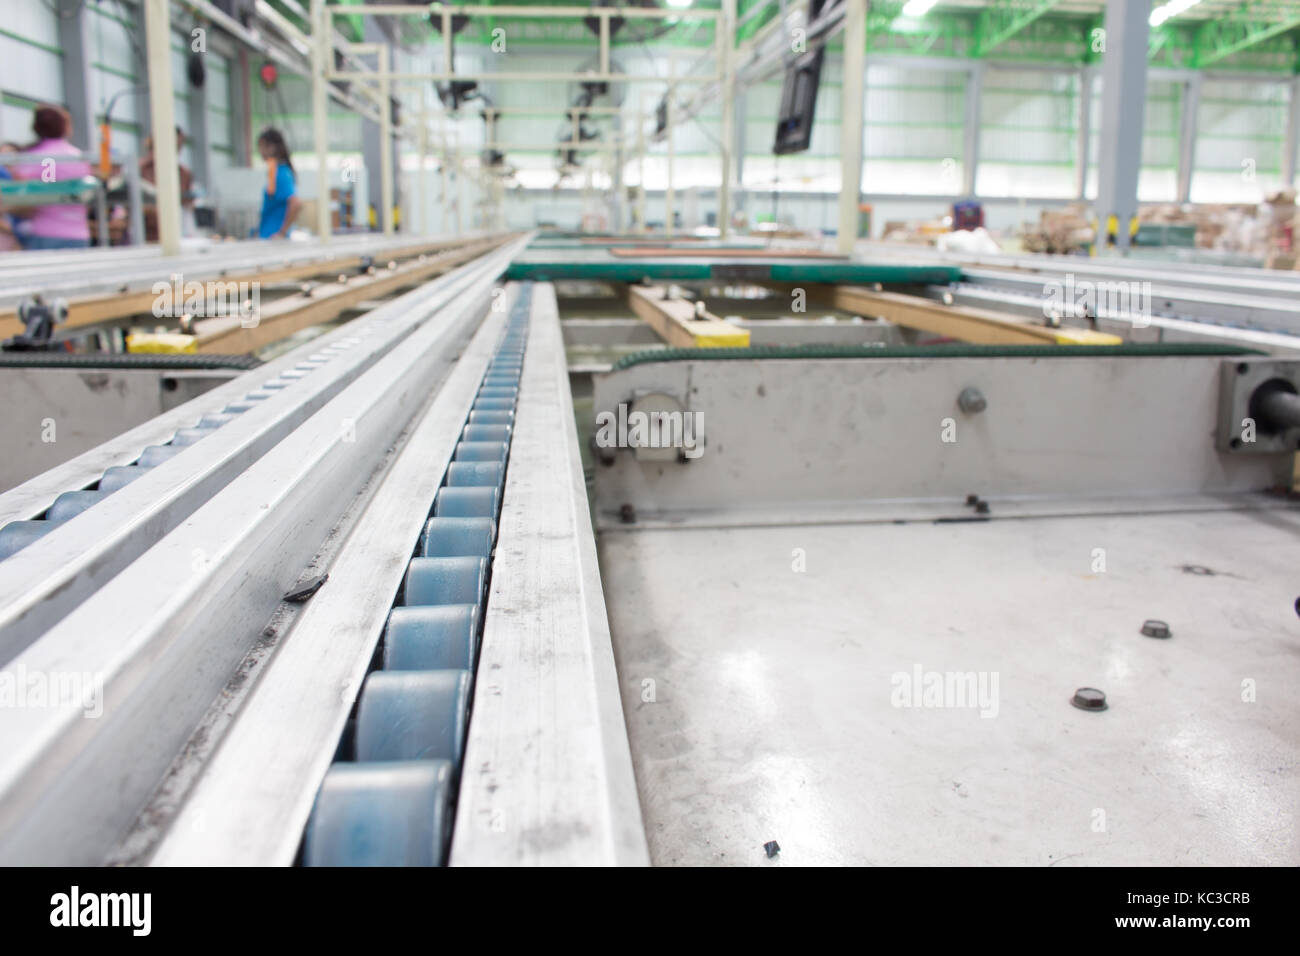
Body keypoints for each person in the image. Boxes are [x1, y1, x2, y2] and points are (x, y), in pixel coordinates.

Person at [10, 105, 92, 250]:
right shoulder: (80, 158)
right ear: (66, 127)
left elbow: (22, 195)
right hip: (79, 233)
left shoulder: (33, 158)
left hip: (45, 232)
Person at [256, 128, 301, 239]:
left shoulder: (281, 173)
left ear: (272, 147)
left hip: (274, 238)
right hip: (267, 235)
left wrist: (282, 232)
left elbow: (296, 203)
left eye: (262, 147)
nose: (260, 151)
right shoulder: (274, 171)